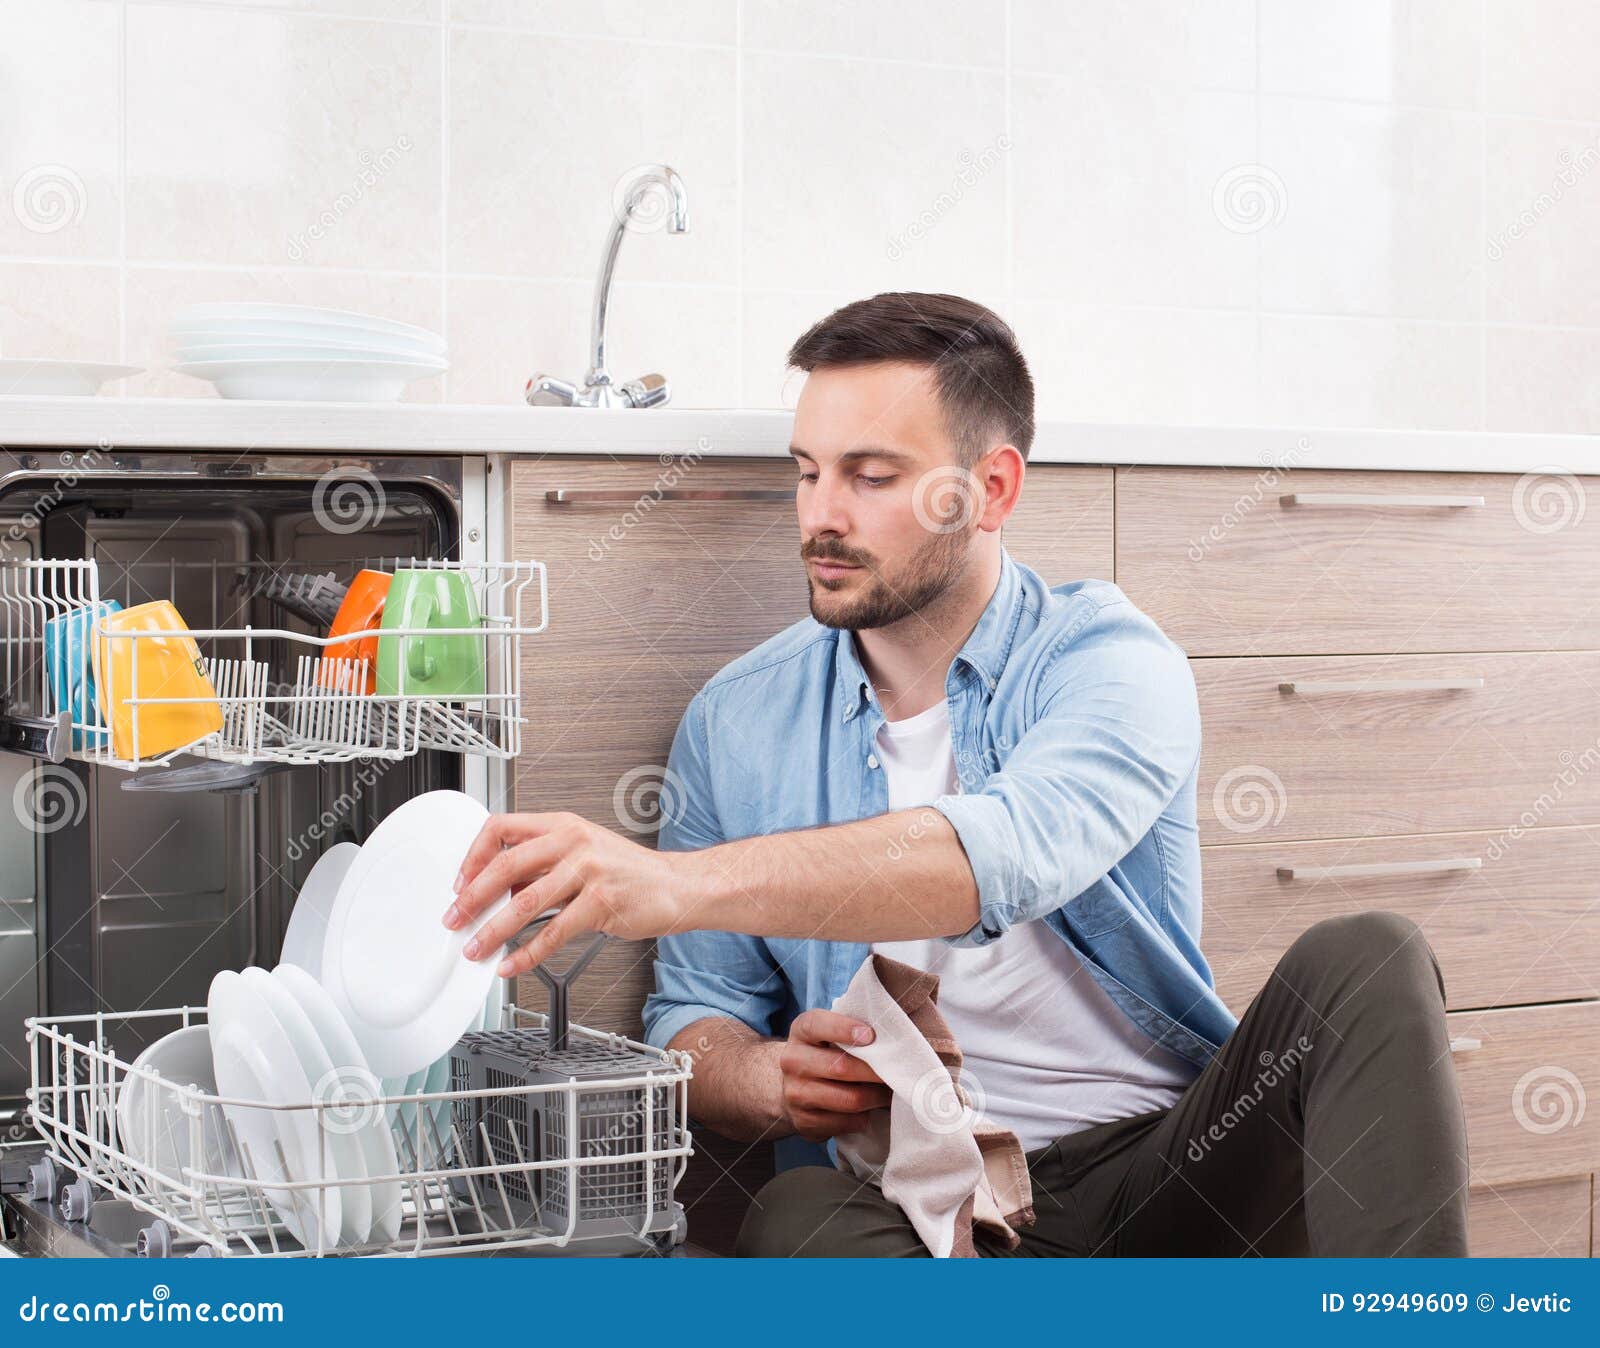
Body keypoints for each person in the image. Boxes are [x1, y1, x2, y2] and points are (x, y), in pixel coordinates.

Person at [445, 292, 1470, 1257]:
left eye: (871, 475)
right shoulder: (739, 720)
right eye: (808, 471)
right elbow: (694, 1013)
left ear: (992, 488)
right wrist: (764, 1078)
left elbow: (1001, 853)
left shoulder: (1107, 660)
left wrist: (673, 880)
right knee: (796, 1212)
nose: (820, 515)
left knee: (1370, 957)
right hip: (919, 1201)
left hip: (1166, 1171)